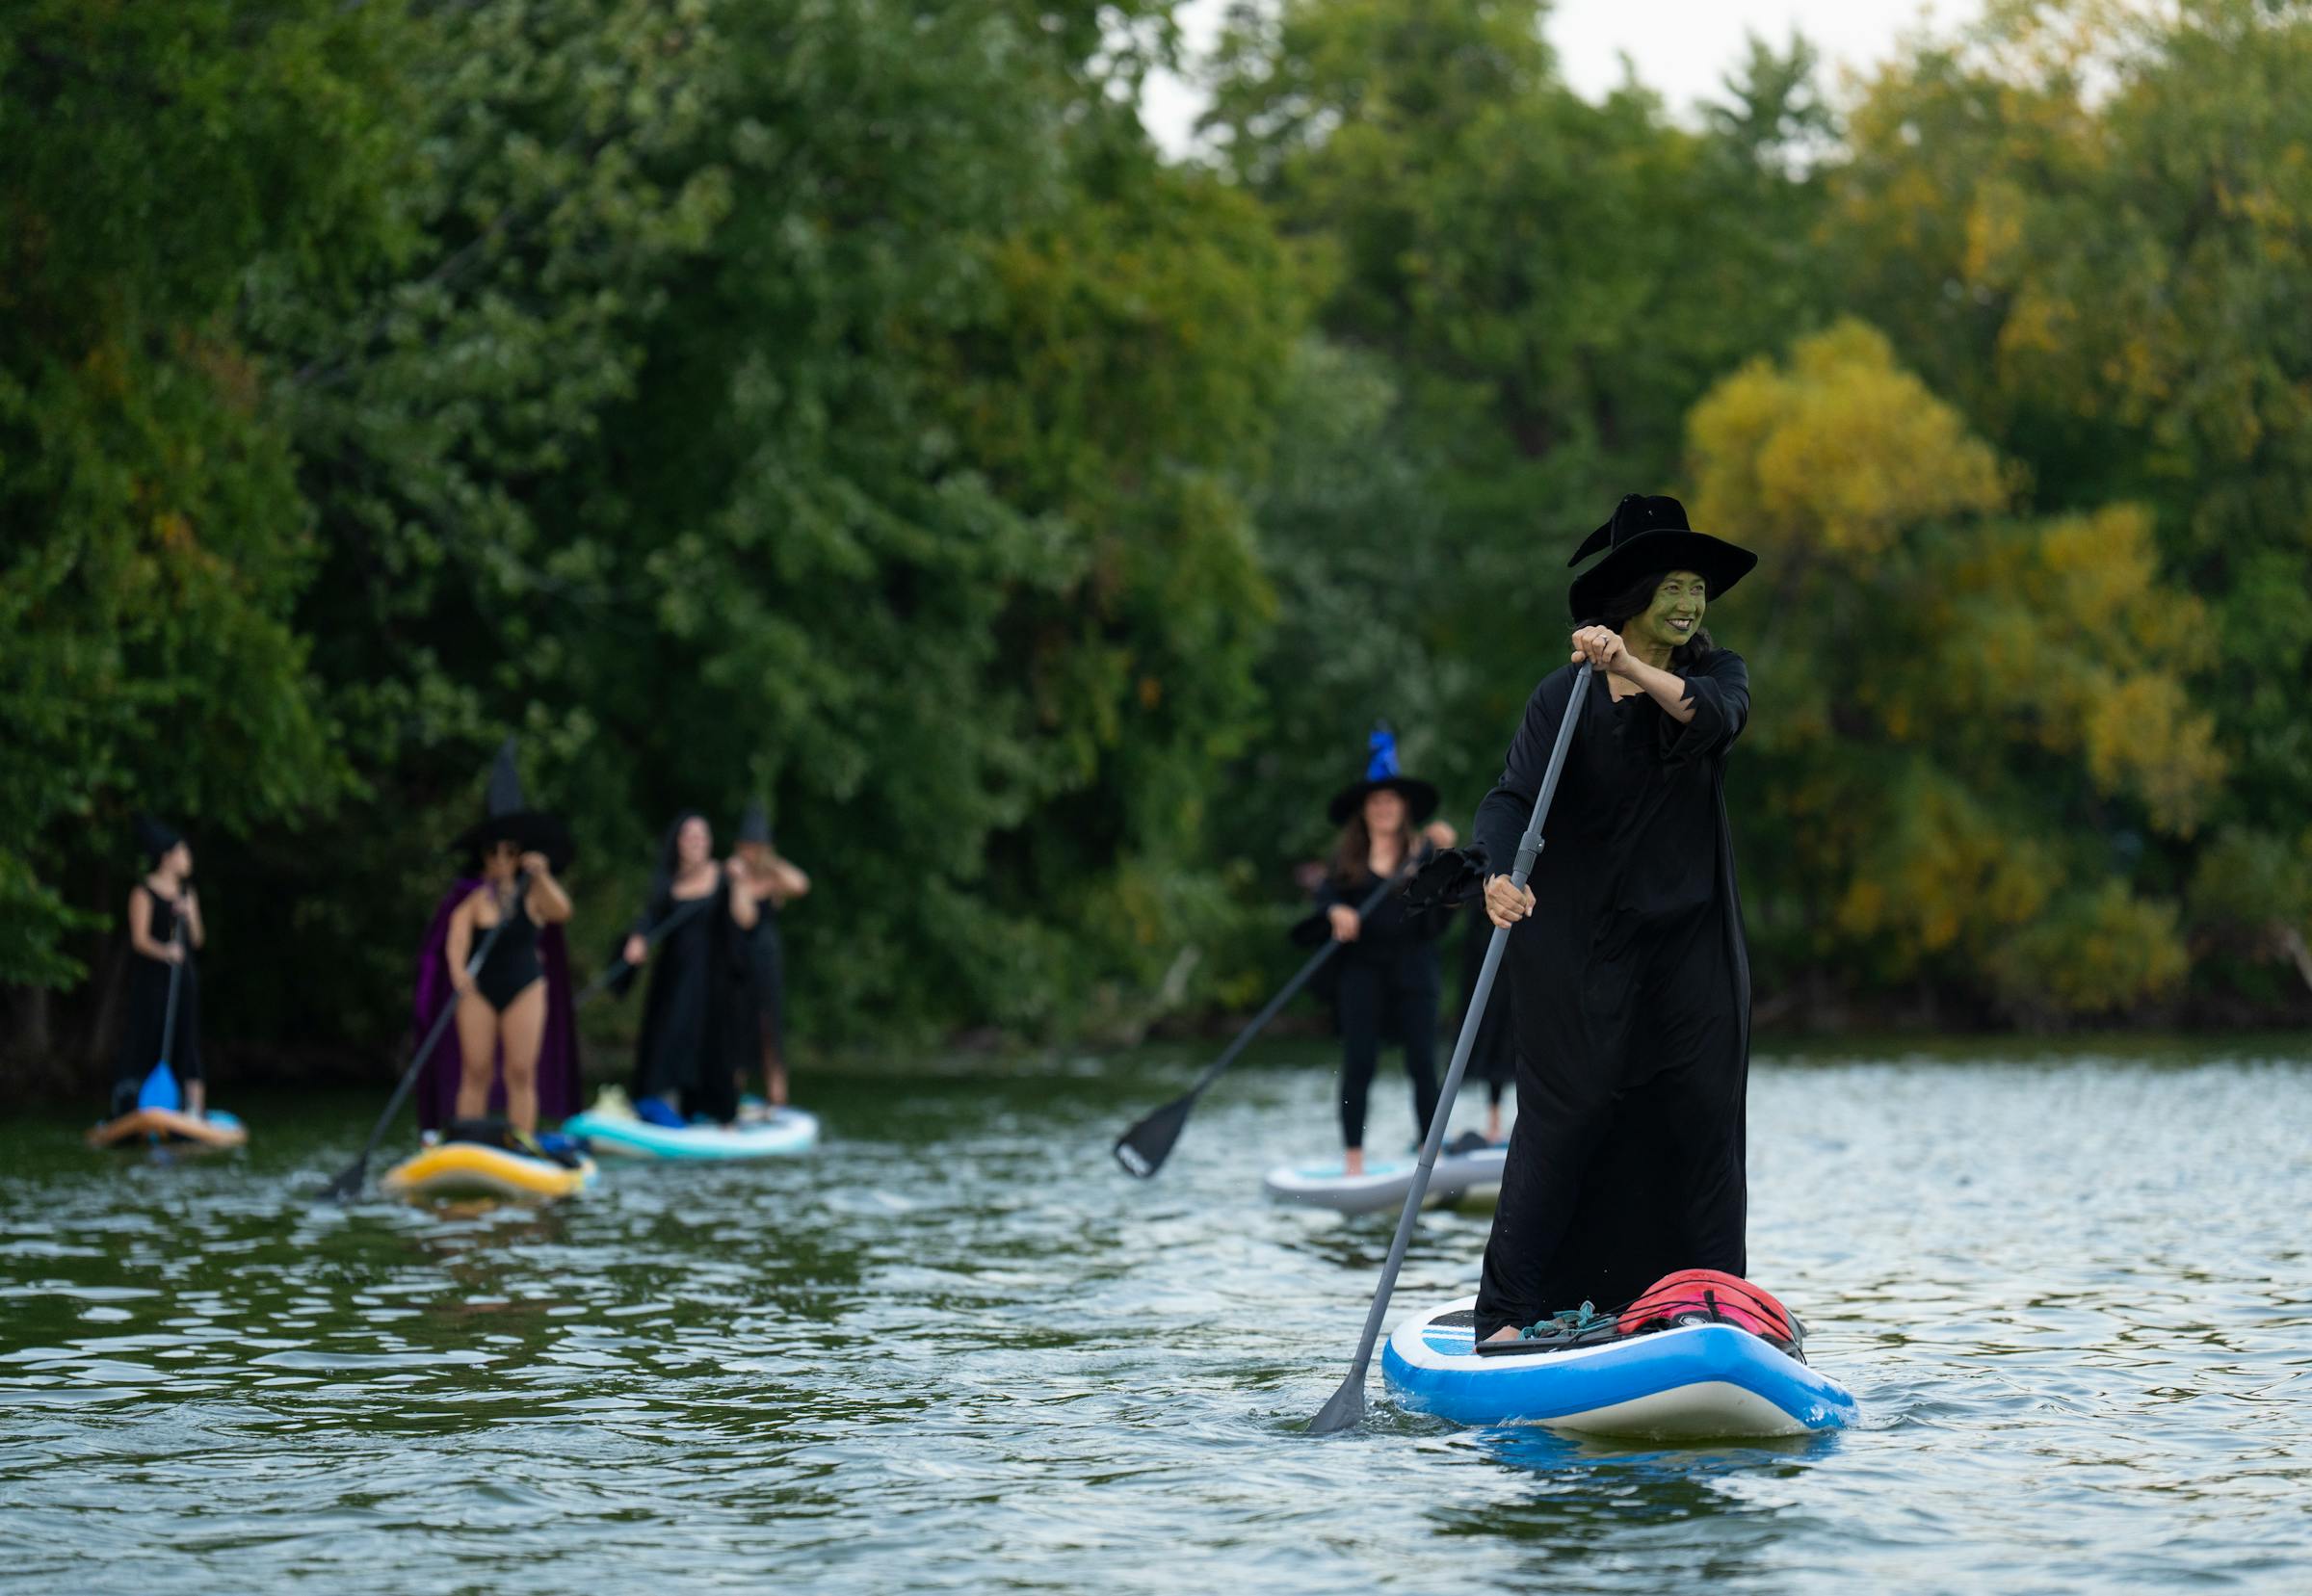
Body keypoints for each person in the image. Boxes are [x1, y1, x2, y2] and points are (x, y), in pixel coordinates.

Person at [1472, 492, 1758, 1342]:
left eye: (1696, 588)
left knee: (1703, 1114)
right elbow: (1509, 801)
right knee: (1571, 1113)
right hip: (1578, 949)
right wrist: (1495, 874)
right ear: (1632, 593)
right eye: (1672, 585)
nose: (1688, 603)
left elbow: (1711, 717)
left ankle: (1711, 1311)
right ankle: (1507, 1315)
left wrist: (1630, 669)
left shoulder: (1715, 676)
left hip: (1693, 945)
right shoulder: (1558, 701)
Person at [414, 741, 583, 1141]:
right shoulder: (472, 899)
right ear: (484, 856)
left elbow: (562, 911)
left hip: (525, 984)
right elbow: (455, 936)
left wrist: (540, 875)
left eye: (511, 850)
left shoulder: (533, 894)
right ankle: (465, 1141)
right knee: (476, 1070)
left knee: (520, 1072)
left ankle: (521, 1140)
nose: (503, 858)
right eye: (495, 851)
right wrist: (457, 972)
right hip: (480, 988)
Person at [1315, 725, 1458, 1176]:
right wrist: (1337, 911)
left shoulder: (1425, 854)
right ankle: (1353, 1161)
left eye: (1390, 801)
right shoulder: (1345, 864)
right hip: (1363, 971)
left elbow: (1449, 903)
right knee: (1358, 1063)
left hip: (1415, 969)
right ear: (1364, 810)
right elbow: (1323, 899)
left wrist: (1448, 855)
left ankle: (1429, 1159)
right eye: (1375, 802)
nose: (1383, 808)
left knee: (1423, 1063)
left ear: (1404, 808)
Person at [625, 811, 757, 1125]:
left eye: (702, 836)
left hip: (714, 980)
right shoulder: (667, 882)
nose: (696, 842)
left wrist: (739, 883)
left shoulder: (724, 877)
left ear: (710, 843)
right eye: (690, 836)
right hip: (673, 978)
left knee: (712, 1041)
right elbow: (648, 919)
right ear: (678, 842)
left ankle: (715, 1111)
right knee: (667, 1036)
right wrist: (636, 940)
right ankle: (662, 1105)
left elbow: (746, 919)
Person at [112, 816, 206, 1118]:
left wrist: (190, 915)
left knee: (187, 1039)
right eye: (184, 852)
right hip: (154, 980)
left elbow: (199, 939)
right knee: (148, 1035)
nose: (188, 859)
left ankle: (194, 1110)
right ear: (167, 857)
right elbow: (139, 940)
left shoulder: (188, 894)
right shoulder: (143, 891)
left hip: (184, 979)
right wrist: (166, 951)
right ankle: (133, 1105)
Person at [731, 800, 810, 1110]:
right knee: (737, 1026)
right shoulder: (733, 876)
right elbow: (744, 918)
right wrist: (739, 878)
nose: (753, 852)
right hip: (737, 958)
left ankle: (778, 1096)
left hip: (766, 958)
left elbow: (802, 885)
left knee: (770, 1026)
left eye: (758, 845)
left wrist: (771, 862)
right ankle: (731, 1095)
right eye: (749, 846)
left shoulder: (774, 876)